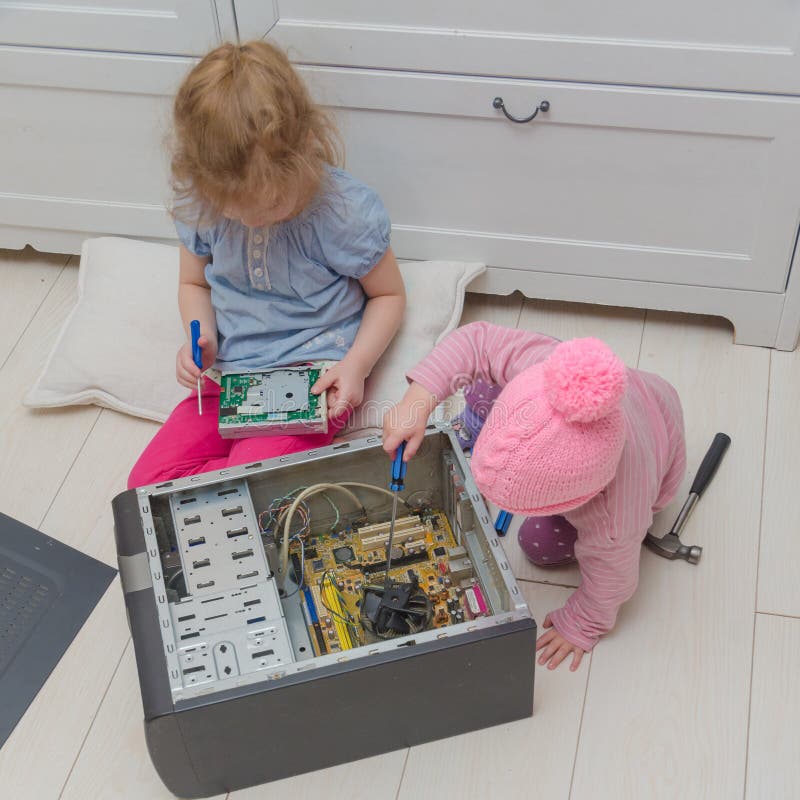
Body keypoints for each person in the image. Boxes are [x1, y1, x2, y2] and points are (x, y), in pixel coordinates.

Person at [128, 41, 405, 488]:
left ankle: (271, 489)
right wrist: (201, 339)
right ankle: (262, 489)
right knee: (147, 484)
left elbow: (389, 295)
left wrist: (356, 365)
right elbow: (194, 283)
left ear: (305, 150)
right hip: (228, 379)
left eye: (271, 203)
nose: (252, 219)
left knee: (251, 480)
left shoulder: (342, 213)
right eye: (234, 208)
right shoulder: (203, 204)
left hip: (312, 380)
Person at [382, 322, 686, 671]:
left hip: (660, 433)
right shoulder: (547, 366)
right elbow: (476, 341)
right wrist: (418, 400)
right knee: (482, 384)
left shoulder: (614, 517)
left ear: (576, 498)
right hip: (619, 393)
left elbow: (614, 582)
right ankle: (479, 425)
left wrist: (582, 624)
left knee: (537, 543)